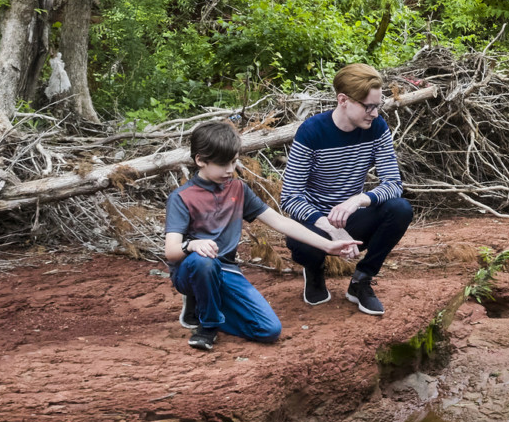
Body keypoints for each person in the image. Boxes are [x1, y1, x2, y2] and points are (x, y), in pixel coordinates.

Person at [166, 121, 359, 353]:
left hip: (226, 270)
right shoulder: (181, 197)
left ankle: (205, 305)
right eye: (222, 164)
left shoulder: (237, 189)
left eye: (234, 161)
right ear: (200, 160)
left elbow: (280, 221)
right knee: (202, 261)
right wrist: (193, 245)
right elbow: (172, 251)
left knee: (269, 330)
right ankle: (208, 326)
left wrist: (328, 245)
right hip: (191, 269)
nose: (230, 169)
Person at [280, 62, 414, 316]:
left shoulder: (377, 128)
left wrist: (358, 200)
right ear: (343, 100)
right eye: (368, 106)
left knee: (400, 209)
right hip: (316, 223)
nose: (374, 113)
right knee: (300, 242)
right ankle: (314, 269)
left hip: (352, 218)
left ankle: (362, 280)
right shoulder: (311, 132)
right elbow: (290, 197)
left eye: (378, 106)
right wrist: (330, 227)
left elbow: (393, 184)